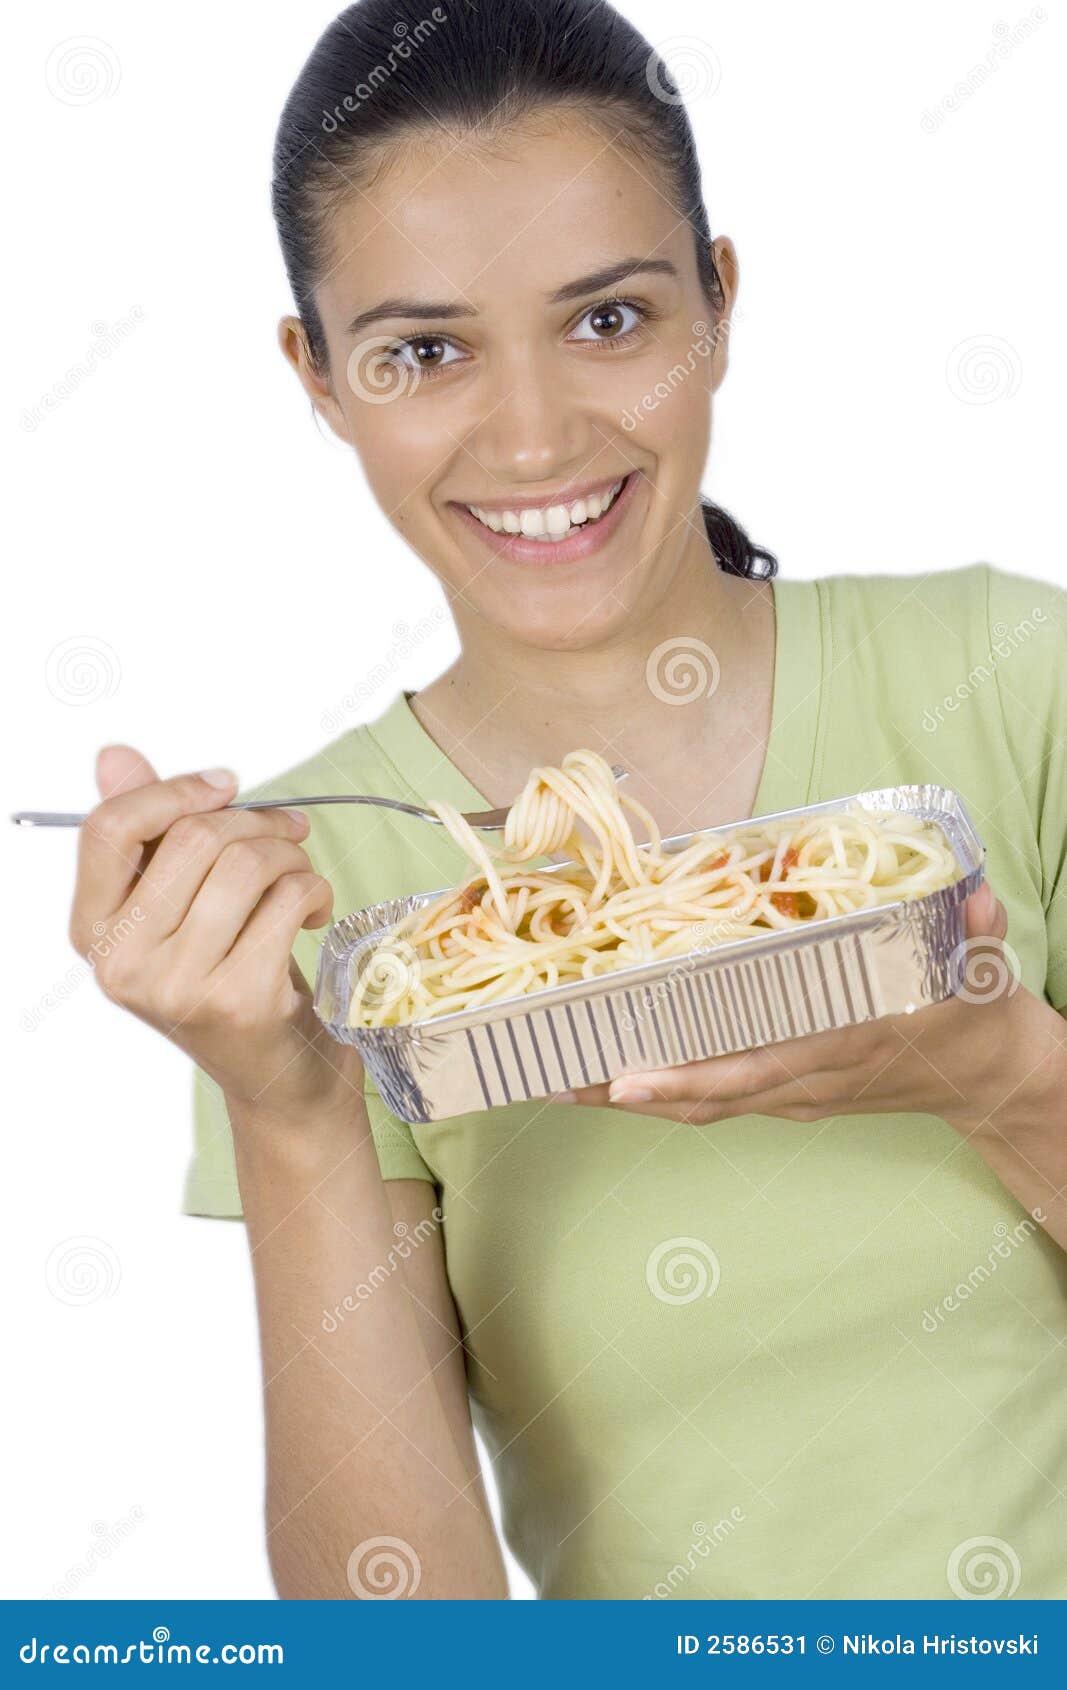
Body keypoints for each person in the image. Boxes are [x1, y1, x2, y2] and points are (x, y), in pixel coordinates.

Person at [68, 0, 1067, 1601]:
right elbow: (402, 1647)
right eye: (425, 351)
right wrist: (291, 1104)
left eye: (609, 318)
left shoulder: (1017, 682)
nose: (535, 436)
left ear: (717, 306)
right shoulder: (313, 901)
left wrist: (1003, 1073)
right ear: (318, 377)